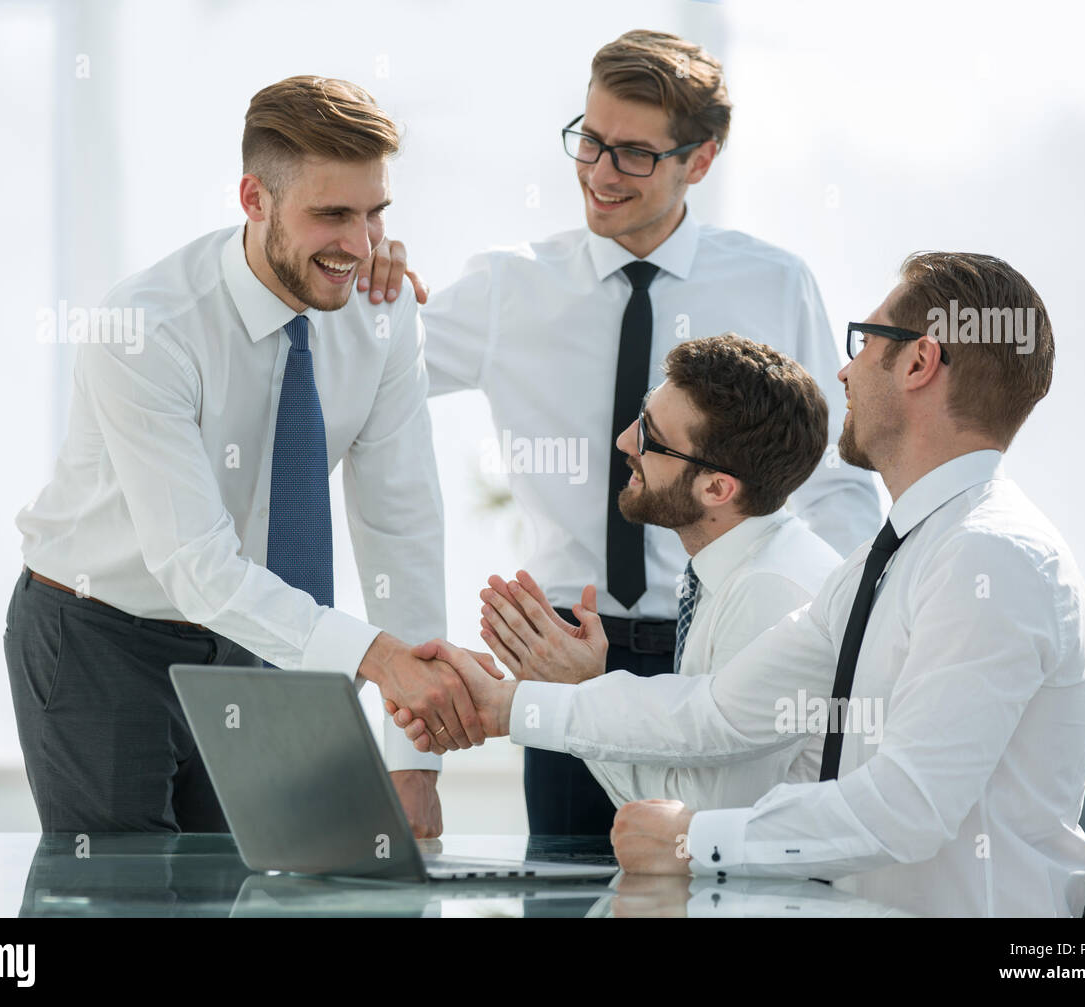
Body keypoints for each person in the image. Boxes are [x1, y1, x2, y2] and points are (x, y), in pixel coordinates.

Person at [392, 252, 1085, 917]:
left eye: (863, 342)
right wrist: (507, 705)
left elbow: (906, 808)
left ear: (920, 361)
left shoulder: (990, 559)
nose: (845, 373)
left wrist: (695, 837)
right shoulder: (886, 558)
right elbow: (713, 712)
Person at [362, 29, 880, 835]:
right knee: (563, 882)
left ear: (699, 161)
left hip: (722, 644)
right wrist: (369, 291)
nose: (600, 174)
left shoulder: (773, 284)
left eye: (634, 154)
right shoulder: (511, 284)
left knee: (704, 871)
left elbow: (839, 480)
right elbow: (371, 379)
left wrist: (820, 636)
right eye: (591, 142)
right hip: (564, 639)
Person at [4, 76, 497, 840]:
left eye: (374, 214)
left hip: (256, 628)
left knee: (260, 879)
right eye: (331, 214)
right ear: (253, 198)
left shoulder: (382, 310)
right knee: (119, 891)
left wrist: (413, 760)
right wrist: (376, 657)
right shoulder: (147, 330)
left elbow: (401, 524)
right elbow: (196, 566)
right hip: (100, 633)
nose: (361, 245)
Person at [476, 333, 840, 811]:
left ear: (716, 488)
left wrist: (580, 694)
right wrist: (584, 696)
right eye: (642, 415)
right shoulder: (745, 567)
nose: (625, 441)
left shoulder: (767, 593)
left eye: (652, 437)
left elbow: (697, 817)